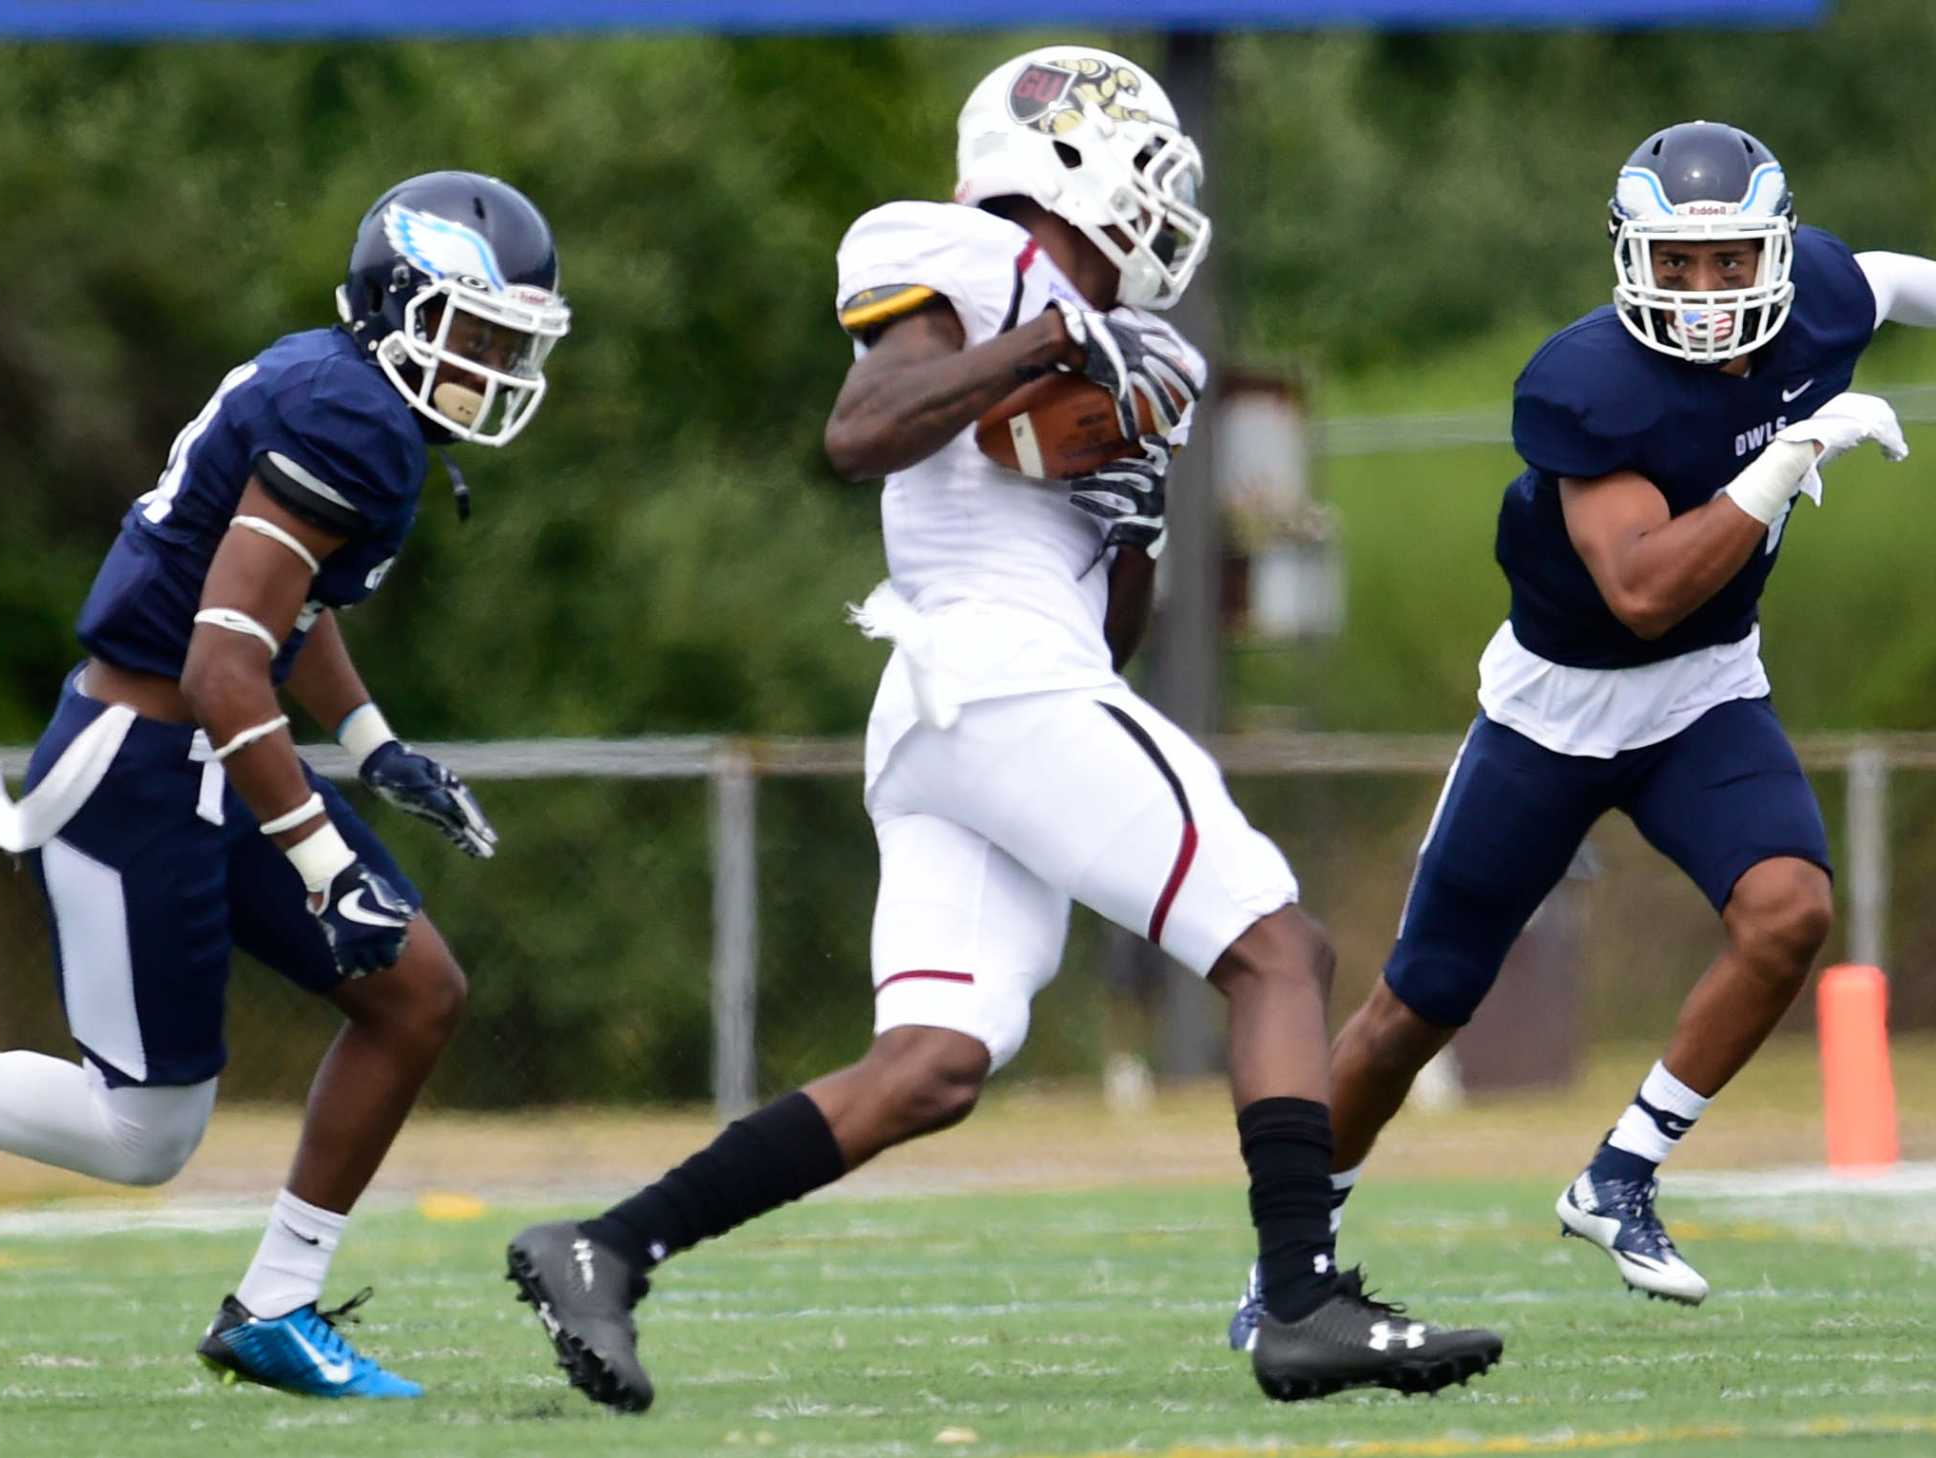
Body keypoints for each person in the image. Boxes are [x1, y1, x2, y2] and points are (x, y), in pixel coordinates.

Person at [507, 45, 1502, 1411]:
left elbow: (1109, 635)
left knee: (932, 1063)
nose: (1163, 205)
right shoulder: (953, 249)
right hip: (985, 665)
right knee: (1279, 943)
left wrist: (1137, 508)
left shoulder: (1121, 344)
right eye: (1145, 166)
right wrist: (1044, 342)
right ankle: (1301, 1297)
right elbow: (862, 432)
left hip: (979, 698)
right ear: (1067, 155)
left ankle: (606, 1244)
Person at [1226, 119, 1936, 1350]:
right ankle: (1289, 1266)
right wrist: (1793, 450)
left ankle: (1619, 1174)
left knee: (1787, 911)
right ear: (1628, 260)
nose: (1706, 291)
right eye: (1677, 263)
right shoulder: (1582, 381)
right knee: (1418, 1005)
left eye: (1728, 262)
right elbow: (1644, 588)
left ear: (1771, 253)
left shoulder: (1819, 292)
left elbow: (1890, 278)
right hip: (1555, 710)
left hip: (1706, 691)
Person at [0, 170, 569, 1398]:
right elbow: (219, 662)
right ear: (395, 307)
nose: (486, 365)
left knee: (415, 990)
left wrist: (371, 744)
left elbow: (279, 608)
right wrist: (322, 862)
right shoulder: (350, 421)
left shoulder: (339, 387)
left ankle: (274, 1307)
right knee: (142, 1133)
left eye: (505, 342)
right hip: (139, 765)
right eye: (470, 333)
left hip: (199, 748)